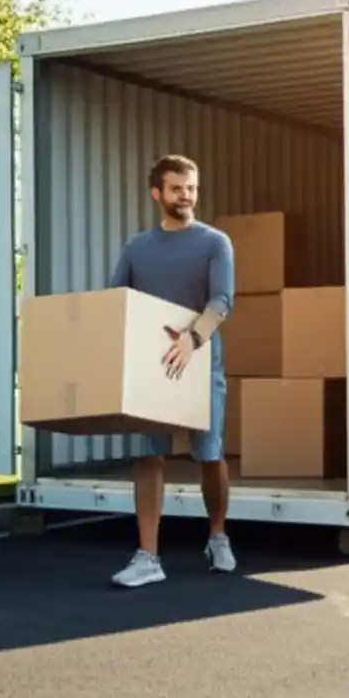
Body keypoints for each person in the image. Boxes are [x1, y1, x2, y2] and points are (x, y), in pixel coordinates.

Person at [107, 154, 236, 588]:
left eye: (192, 188)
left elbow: (221, 302)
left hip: (200, 362)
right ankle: (148, 557)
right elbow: (117, 301)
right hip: (152, 366)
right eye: (178, 188)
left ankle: (217, 535)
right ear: (157, 193)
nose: (187, 196)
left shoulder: (215, 243)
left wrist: (192, 338)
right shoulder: (137, 248)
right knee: (149, 455)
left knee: (209, 455)